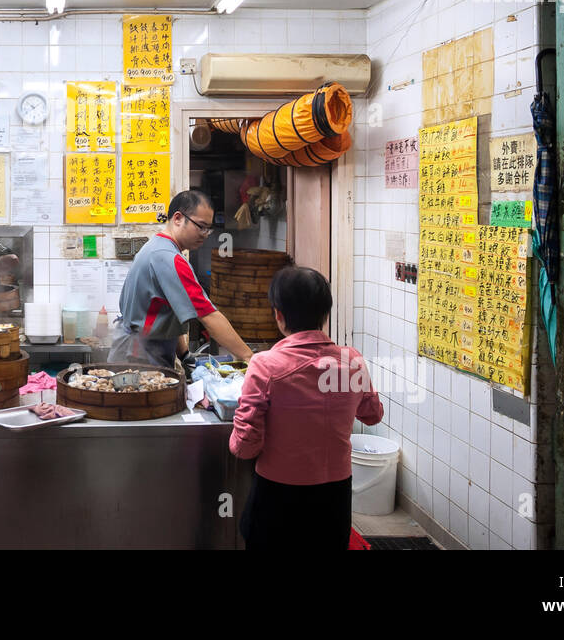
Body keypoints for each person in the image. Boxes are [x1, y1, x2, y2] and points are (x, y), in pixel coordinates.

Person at [229, 265, 384, 550]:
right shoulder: (352, 361)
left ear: (278, 314)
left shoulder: (265, 365)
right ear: (325, 314)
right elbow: (373, 415)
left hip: (278, 495)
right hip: (334, 496)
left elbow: (246, 445)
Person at [110, 189, 254, 368]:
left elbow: (166, 311)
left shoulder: (157, 247)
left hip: (140, 350)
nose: (204, 234)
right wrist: (249, 357)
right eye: (200, 226)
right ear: (177, 218)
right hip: (139, 356)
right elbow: (208, 315)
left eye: (208, 229)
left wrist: (184, 354)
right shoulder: (169, 258)